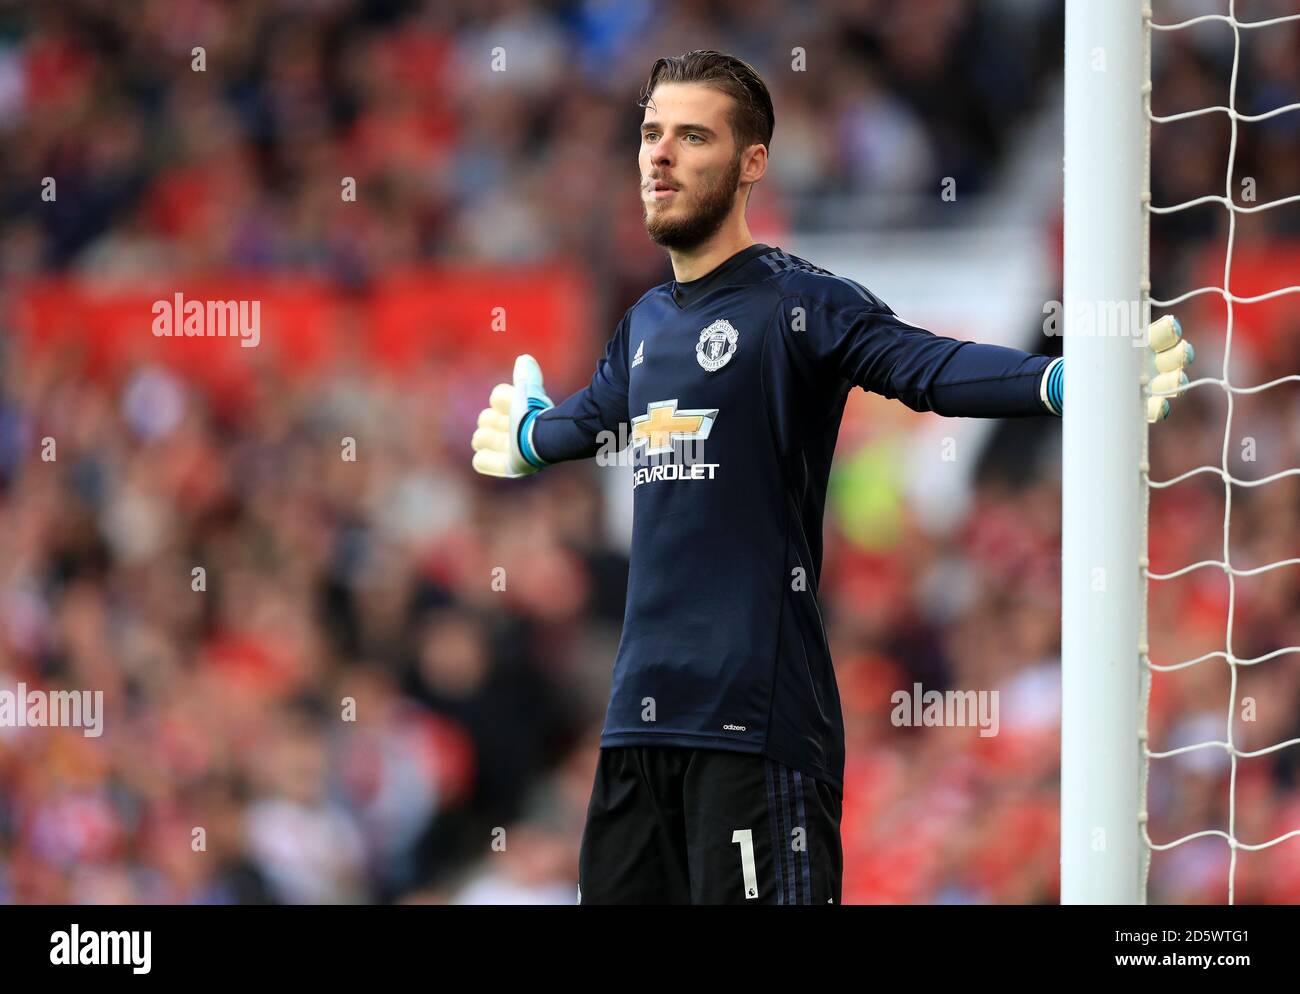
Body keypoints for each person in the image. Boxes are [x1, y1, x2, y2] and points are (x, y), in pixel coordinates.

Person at [470, 50, 1193, 904]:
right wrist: (527, 436)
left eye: (691, 136)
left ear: (751, 166)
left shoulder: (798, 303)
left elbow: (925, 366)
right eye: (651, 133)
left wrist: (1060, 380)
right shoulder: (645, 325)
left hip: (754, 729)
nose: (660, 155)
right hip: (636, 734)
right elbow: (590, 417)